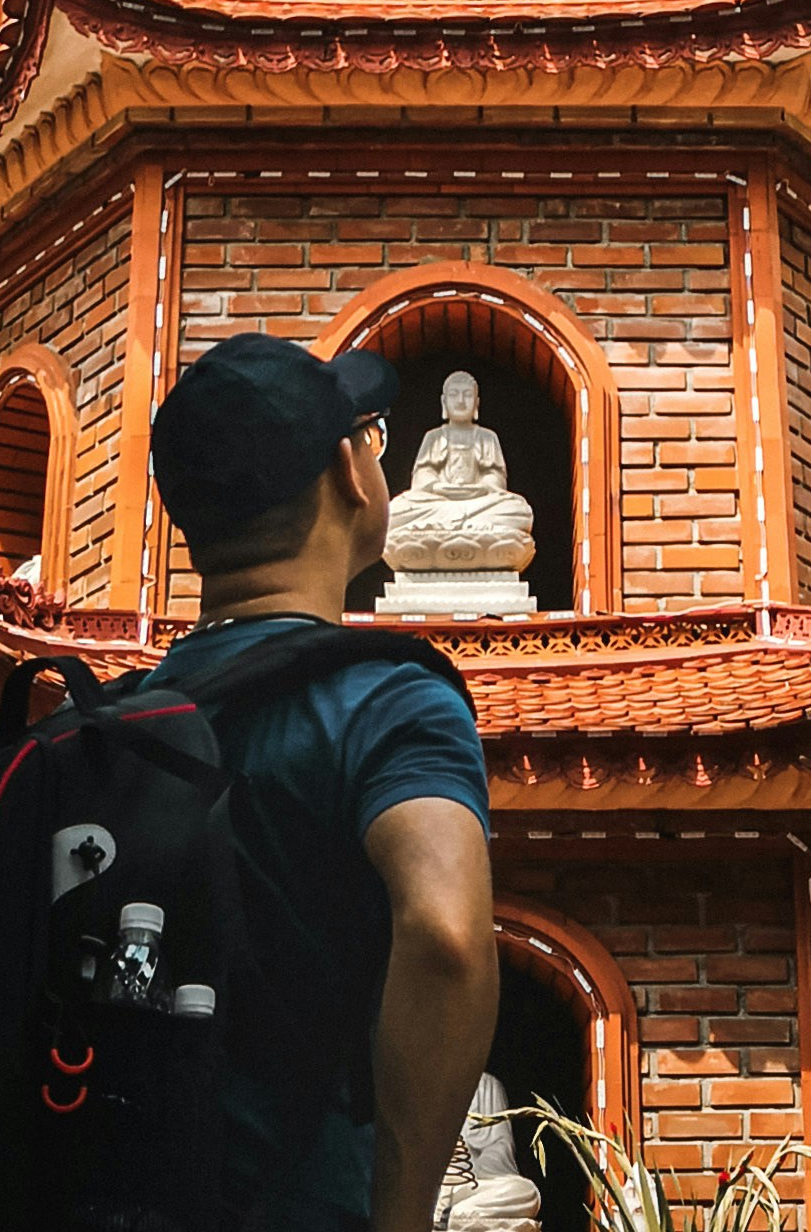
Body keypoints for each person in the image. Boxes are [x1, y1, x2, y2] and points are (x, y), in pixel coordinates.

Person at [147, 332, 502, 1232]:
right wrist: (402, 1215)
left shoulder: (111, 720)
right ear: (352, 471)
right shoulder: (385, 699)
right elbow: (449, 934)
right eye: (374, 440)